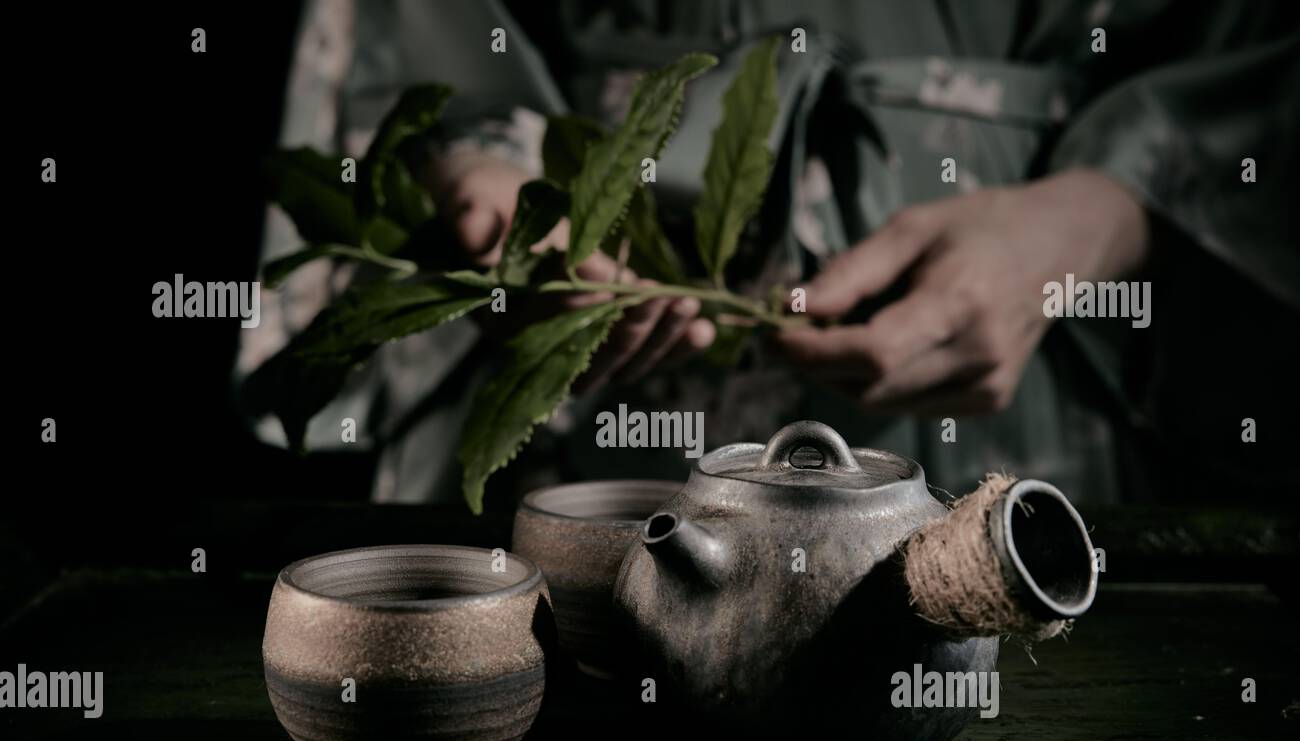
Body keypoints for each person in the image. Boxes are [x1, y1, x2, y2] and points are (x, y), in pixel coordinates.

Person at [237, 0, 1300, 508]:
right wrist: (480, 176)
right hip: (587, 410)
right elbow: (422, 41)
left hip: (1007, 378)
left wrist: (1094, 219)